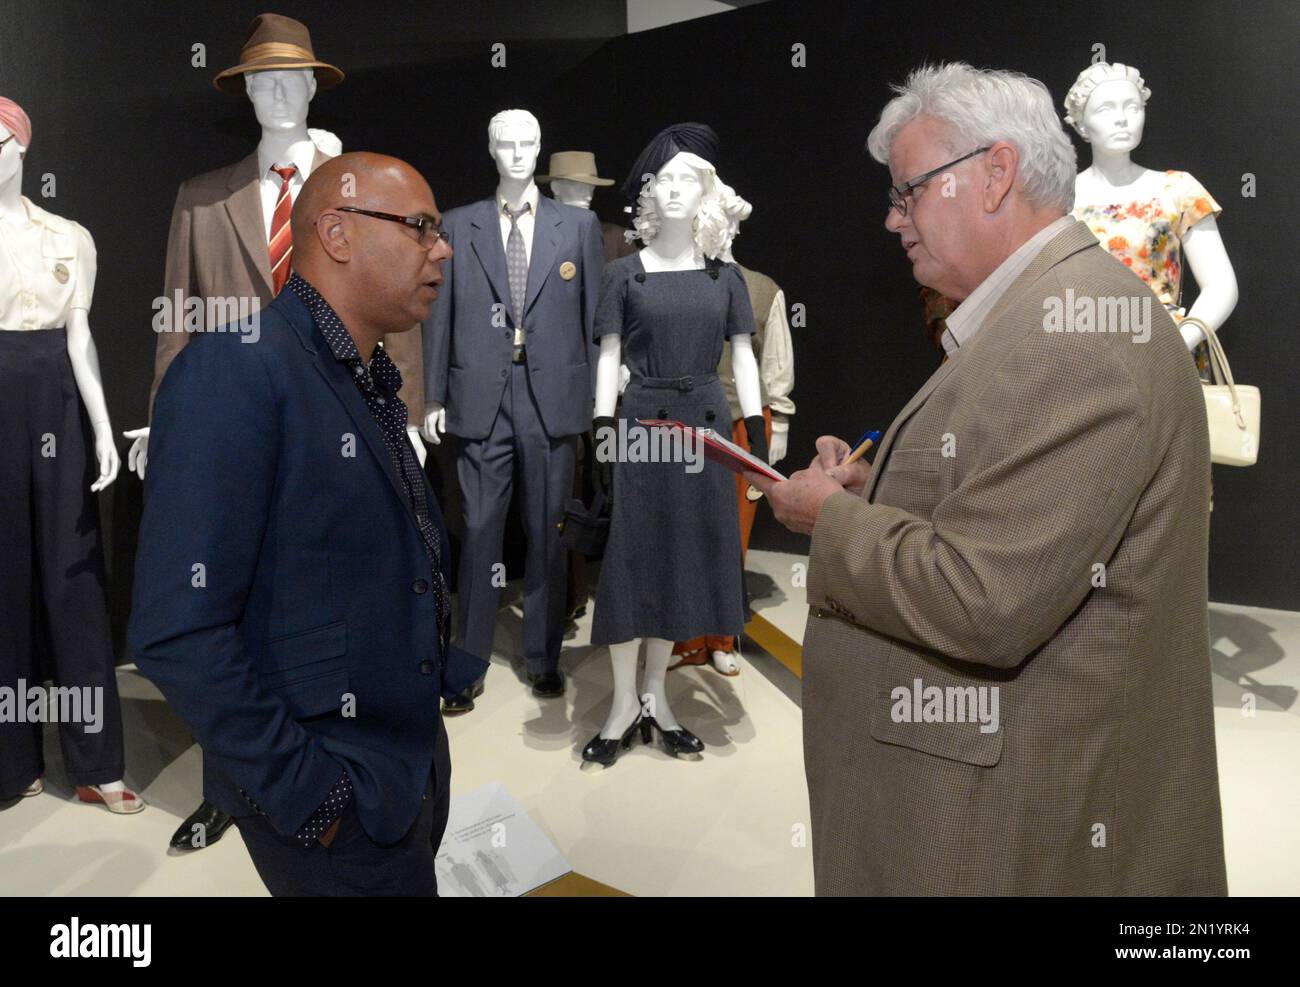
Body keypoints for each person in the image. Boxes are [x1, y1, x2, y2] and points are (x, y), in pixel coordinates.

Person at [749, 63, 1227, 895]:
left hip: (1010, 820)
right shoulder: (1044, 310)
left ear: (997, 172)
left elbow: (983, 596)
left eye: (909, 191)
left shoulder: (1075, 334)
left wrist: (832, 517)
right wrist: (879, 492)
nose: (892, 218)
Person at [129, 153, 485, 896]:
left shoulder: (364, 375)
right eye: (420, 227)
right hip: (335, 802)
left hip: (399, 771)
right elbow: (177, 629)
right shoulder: (231, 373)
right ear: (337, 234)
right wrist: (313, 796)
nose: (441, 247)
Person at [0, 97, 141, 814]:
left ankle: (97, 763)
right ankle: (10, 760)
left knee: (74, 577)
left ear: (22, 147)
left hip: (55, 388)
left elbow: (80, 336)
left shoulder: (69, 235)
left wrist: (100, 422)